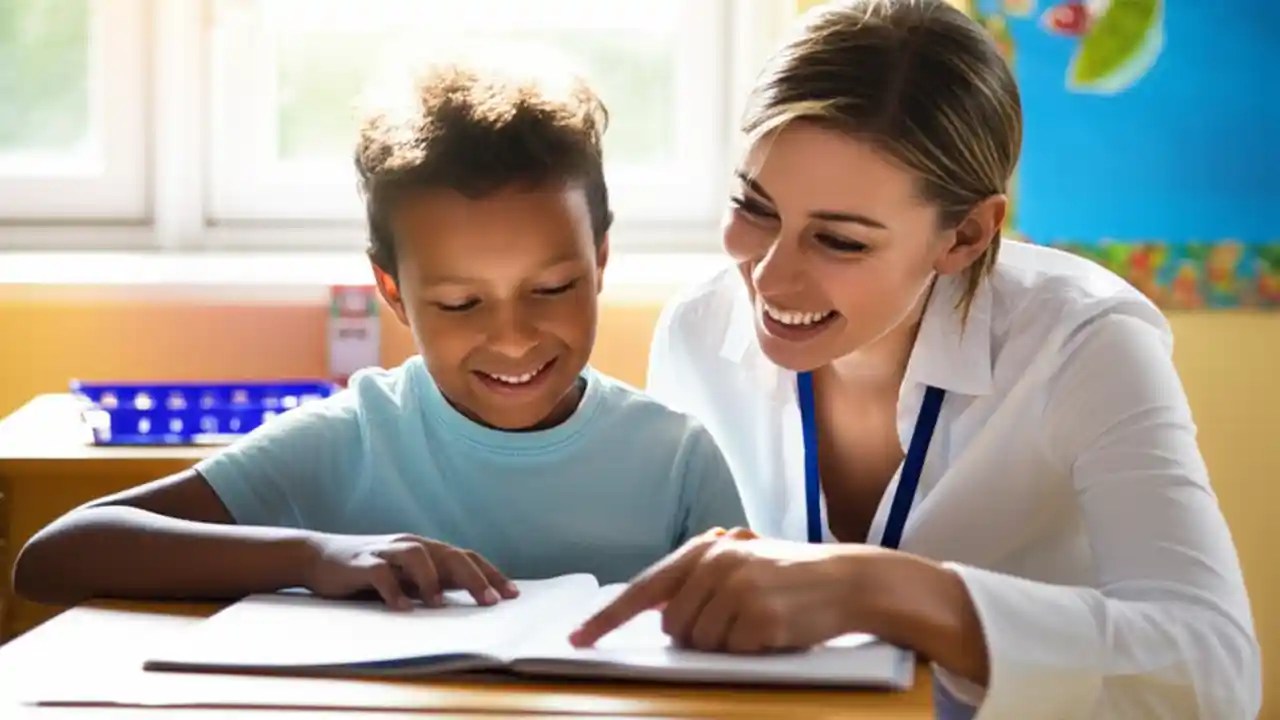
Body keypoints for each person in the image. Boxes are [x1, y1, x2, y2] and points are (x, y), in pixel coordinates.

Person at [569, 2, 1260, 718]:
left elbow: (1215, 673)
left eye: (839, 240)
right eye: (756, 206)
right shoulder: (698, 332)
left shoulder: (1085, 344)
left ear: (963, 236)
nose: (769, 279)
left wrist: (881, 591)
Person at [13, 58, 746, 610]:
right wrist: (311, 554)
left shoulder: (677, 461)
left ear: (601, 262)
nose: (515, 336)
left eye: (551, 289)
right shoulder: (350, 440)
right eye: (461, 303)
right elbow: (55, 557)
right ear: (392, 292)